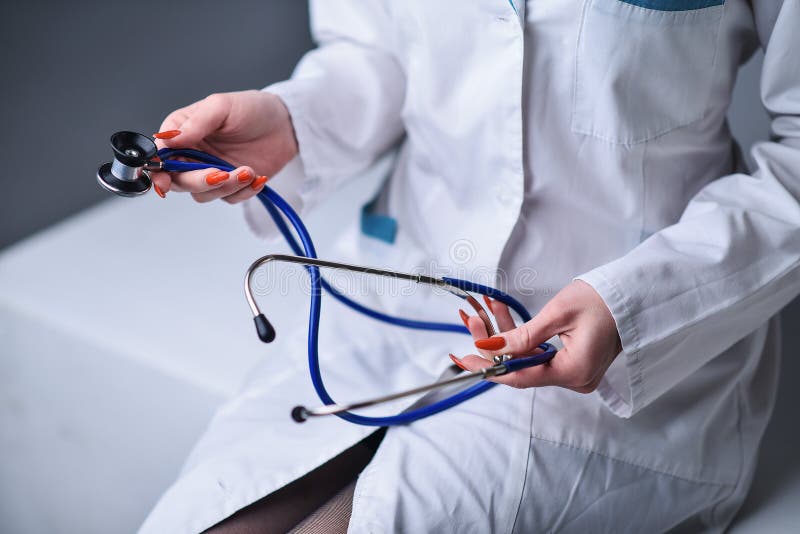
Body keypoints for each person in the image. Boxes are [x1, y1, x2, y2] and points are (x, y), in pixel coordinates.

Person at [139, 1, 800, 532]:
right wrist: (292, 120)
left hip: (622, 364)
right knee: (206, 510)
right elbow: (376, 48)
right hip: (398, 296)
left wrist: (633, 309)